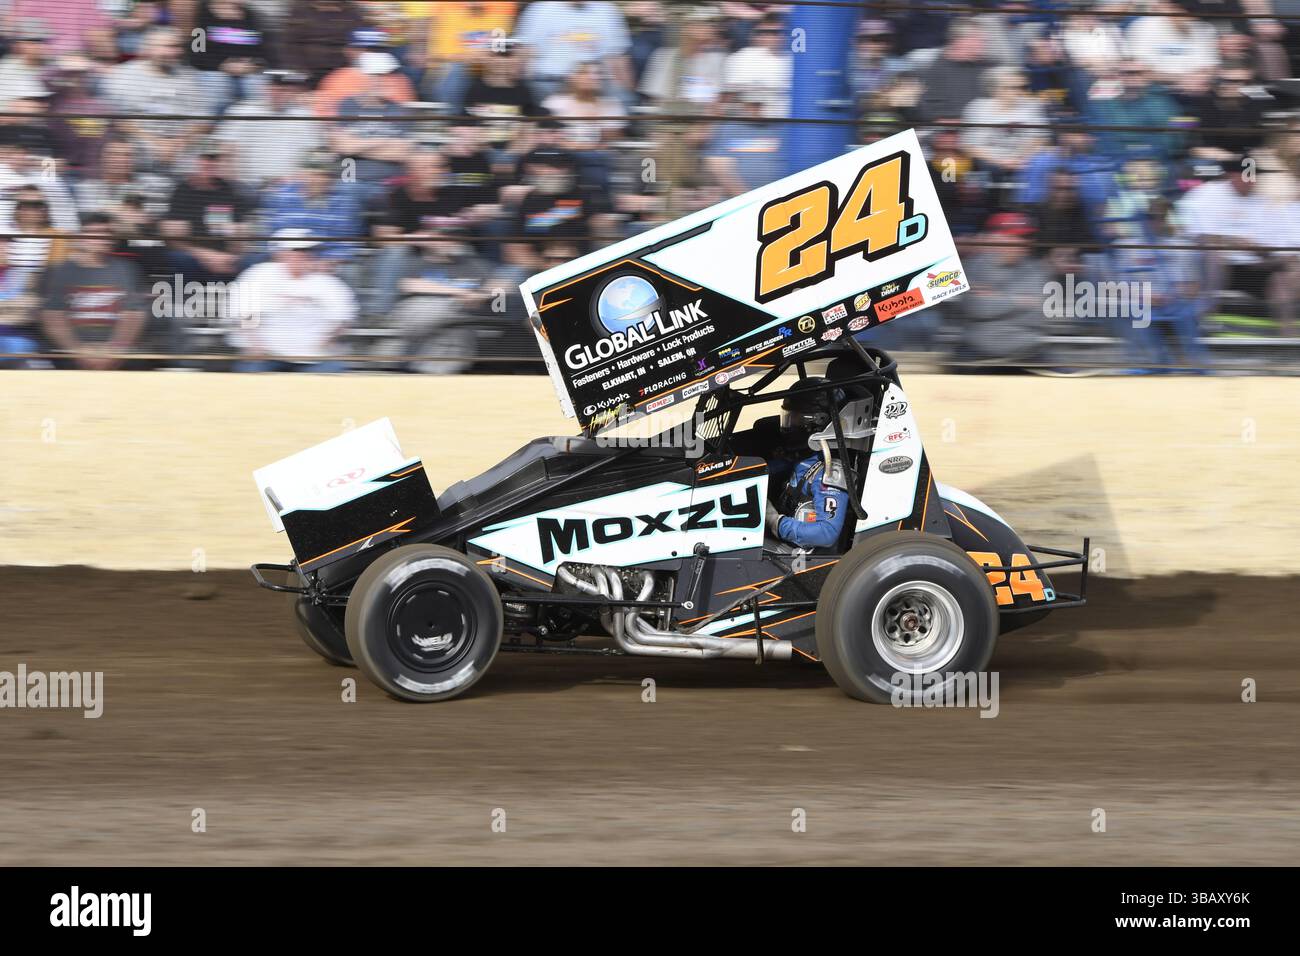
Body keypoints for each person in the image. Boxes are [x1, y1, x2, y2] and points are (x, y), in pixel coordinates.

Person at [229, 229, 356, 371]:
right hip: (266, 355)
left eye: (310, 252)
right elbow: (245, 313)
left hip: (314, 358)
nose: (306, 256)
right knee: (251, 371)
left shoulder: (329, 283)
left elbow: (342, 317)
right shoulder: (258, 275)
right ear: (281, 253)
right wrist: (256, 345)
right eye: (299, 251)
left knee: (334, 369)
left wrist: (326, 341)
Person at [764, 379, 850, 551]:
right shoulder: (803, 457)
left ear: (815, 422)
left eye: (793, 419)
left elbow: (827, 533)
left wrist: (775, 521)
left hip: (800, 556)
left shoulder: (828, 472)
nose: (788, 425)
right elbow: (765, 469)